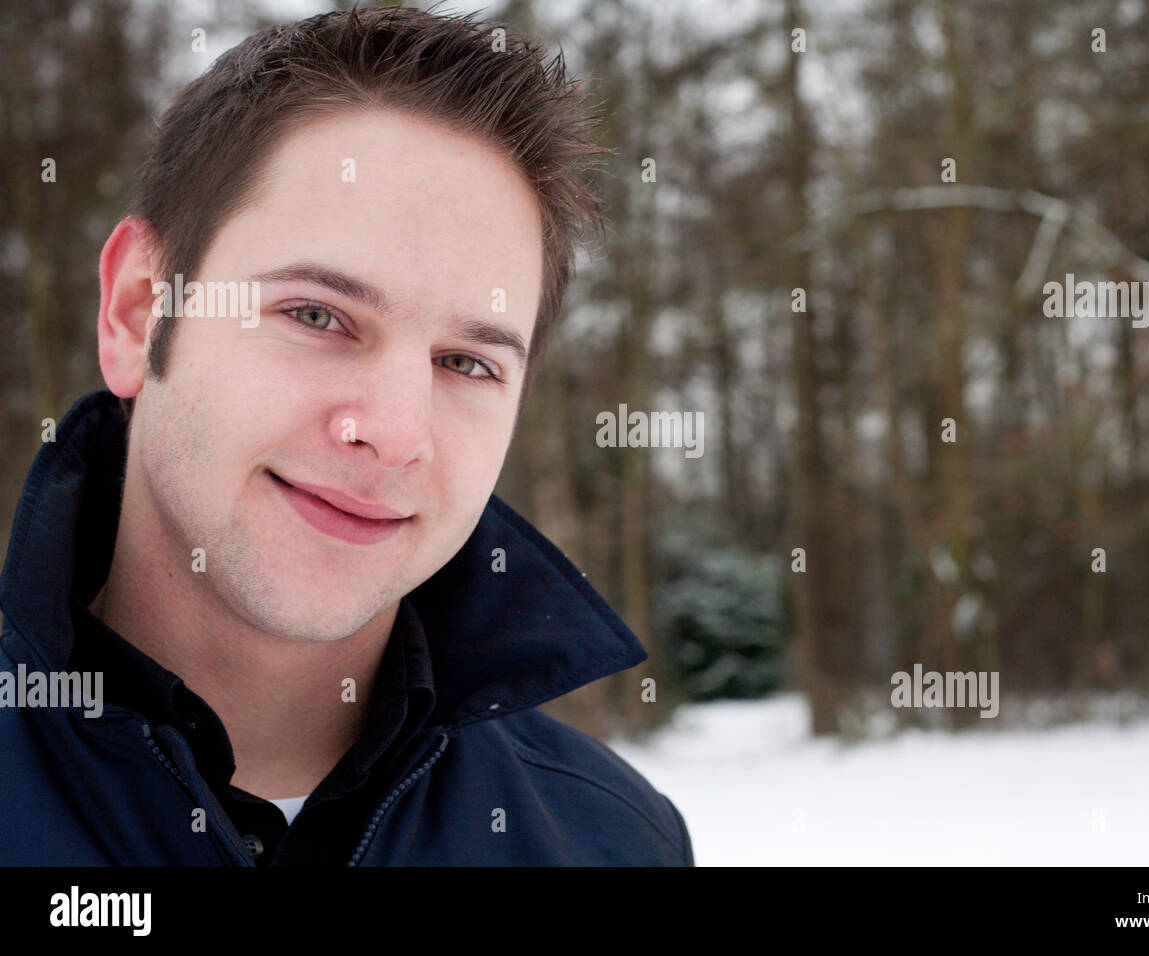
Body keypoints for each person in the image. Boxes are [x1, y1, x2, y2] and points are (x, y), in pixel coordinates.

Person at [0, 5, 693, 866]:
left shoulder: (612, 841)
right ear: (140, 310)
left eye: (467, 363)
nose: (396, 434)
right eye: (318, 315)